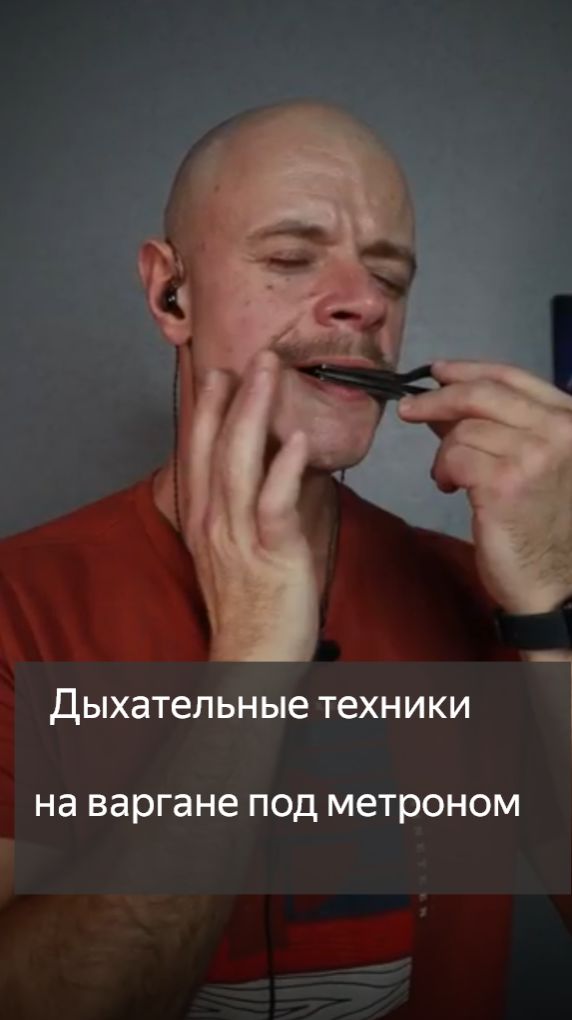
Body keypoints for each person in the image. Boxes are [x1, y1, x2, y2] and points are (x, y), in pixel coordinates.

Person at [0, 99, 570, 1019]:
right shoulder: (16, 604)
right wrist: (256, 664)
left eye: (389, 274)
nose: (366, 303)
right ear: (170, 294)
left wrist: (546, 601)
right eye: (293, 258)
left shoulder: (480, 595)